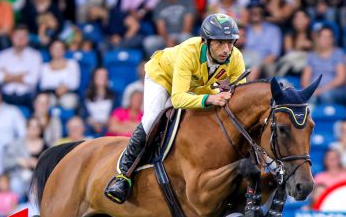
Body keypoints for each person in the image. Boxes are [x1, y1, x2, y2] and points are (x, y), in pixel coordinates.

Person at [104, 14, 244, 204]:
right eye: (220, 43)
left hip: (195, 84)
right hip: (162, 77)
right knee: (152, 118)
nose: (226, 49)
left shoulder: (236, 58)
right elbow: (177, 99)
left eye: (230, 43)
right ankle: (123, 176)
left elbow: (240, 96)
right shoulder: (189, 50)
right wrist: (210, 98)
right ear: (207, 41)